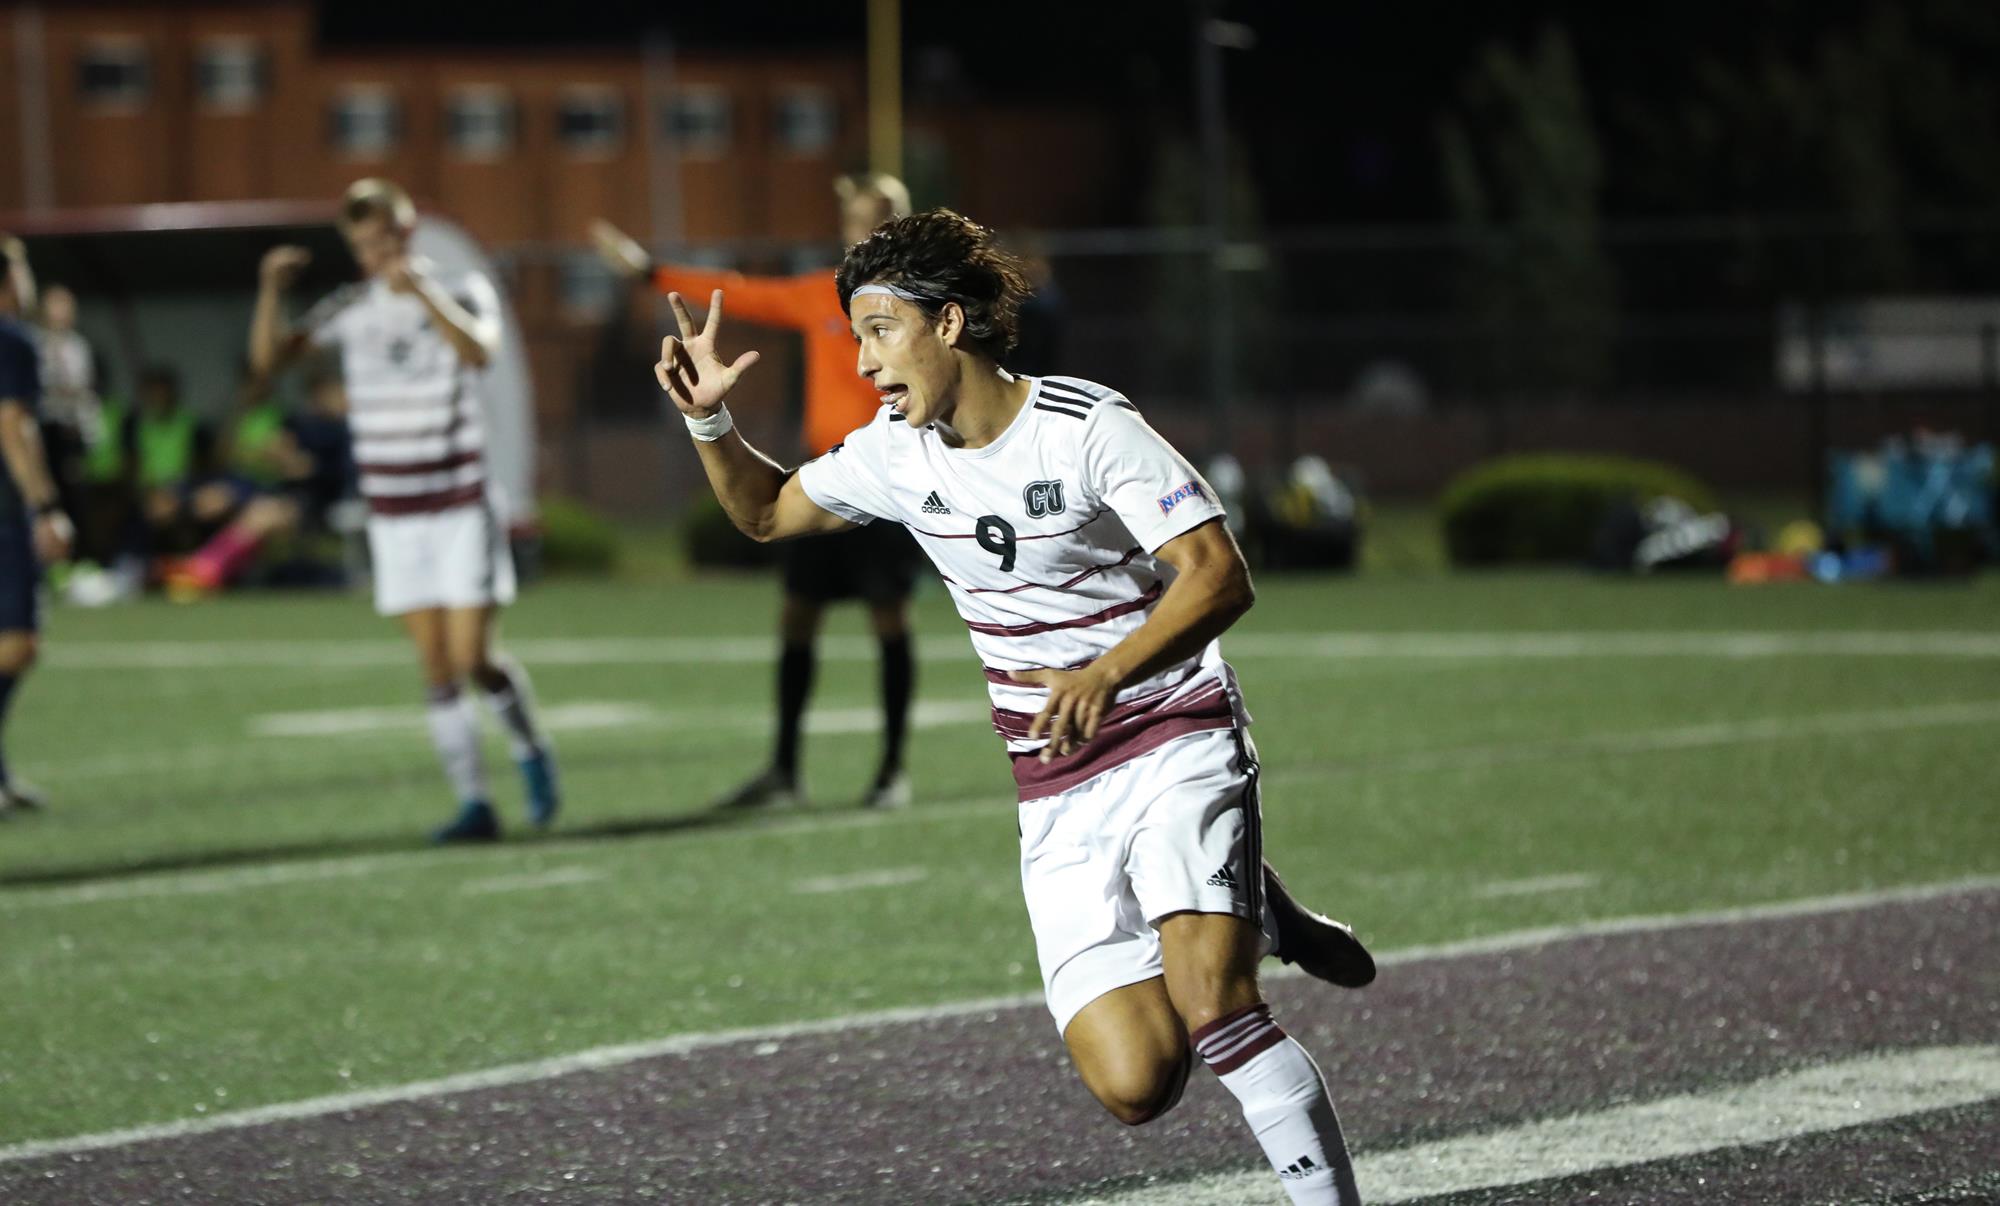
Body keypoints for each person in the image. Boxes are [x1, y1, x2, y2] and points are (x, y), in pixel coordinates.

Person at [653, 209, 1373, 1205]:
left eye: (876, 331)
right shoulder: (891, 454)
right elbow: (768, 512)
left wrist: (1105, 672)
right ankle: (1259, 904)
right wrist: (707, 422)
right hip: (1053, 783)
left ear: (946, 326)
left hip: (1170, 731)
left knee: (1214, 1008)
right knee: (1133, 1086)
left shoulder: (1087, 427)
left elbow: (1216, 576)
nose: (861, 363)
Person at [590, 172, 920, 810]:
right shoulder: (824, 293)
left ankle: (890, 771)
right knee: (798, 616)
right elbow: (741, 295)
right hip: (830, 473)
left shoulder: (920, 303)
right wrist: (650, 273)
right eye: (857, 221)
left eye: (879, 220)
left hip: (900, 479)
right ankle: (785, 771)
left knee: (890, 619)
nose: (865, 233)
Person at [251, 177, 557, 842]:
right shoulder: (351, 306)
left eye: (384, 238)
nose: (375, 254)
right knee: (436, 666)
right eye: (363, 244)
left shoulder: (461, 290)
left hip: (458, 504)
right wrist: (272, 289)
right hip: (395, 512)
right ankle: (475, 803)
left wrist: (421, 289)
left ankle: (530, 748)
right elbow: (269, 361)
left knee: (475, 655)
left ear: (406, 234)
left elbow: (479, 350)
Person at [0, 261, 74, 815]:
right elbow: (14, 424)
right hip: (3, 511)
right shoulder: (10, 338)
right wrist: (45, 507)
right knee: (17, 642)